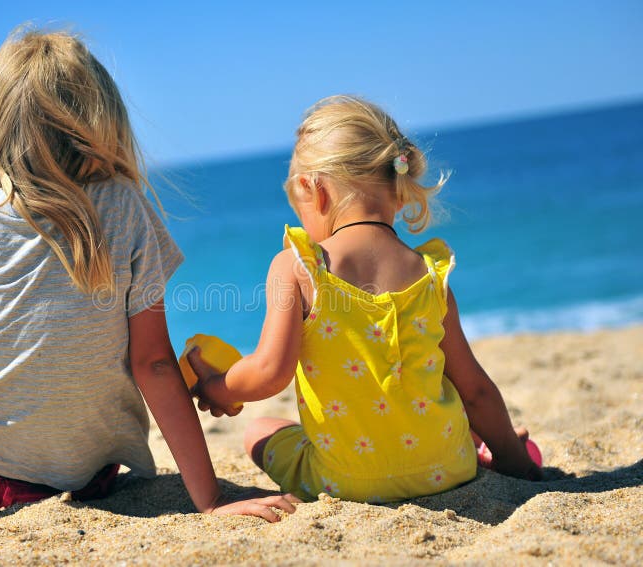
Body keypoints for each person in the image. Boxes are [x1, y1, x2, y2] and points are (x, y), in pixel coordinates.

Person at [0, 28, 298, 536]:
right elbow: (150, 363)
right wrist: (210, 499)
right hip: (90, 479)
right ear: (100, 121)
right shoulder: (124, 205)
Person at [188, 95, 543, 504]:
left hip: (346, 484)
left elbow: (269, 371)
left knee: (260, 429)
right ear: (397, 183)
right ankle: (475, 448)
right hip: (448, 471)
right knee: (444, 403)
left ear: (314, 190)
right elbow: (475, 390)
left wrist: (218, 388)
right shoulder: (431, 275)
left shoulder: (299, 267)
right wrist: (517, 464)